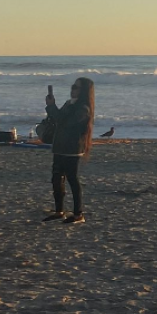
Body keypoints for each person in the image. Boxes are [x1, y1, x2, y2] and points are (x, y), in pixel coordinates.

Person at [43, 78, 95, 224]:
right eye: (72, 86)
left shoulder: (83, 109)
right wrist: (51, 107)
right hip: (60, 147)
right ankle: (59, 210)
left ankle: (78, 214)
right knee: (56, 178)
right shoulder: (69, 103)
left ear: (83, 91)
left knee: (72, 179)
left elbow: (65, 122)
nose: (72, 89)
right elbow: (58, 119)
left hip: (72, 149)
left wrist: (51, 106)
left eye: (76, 87)